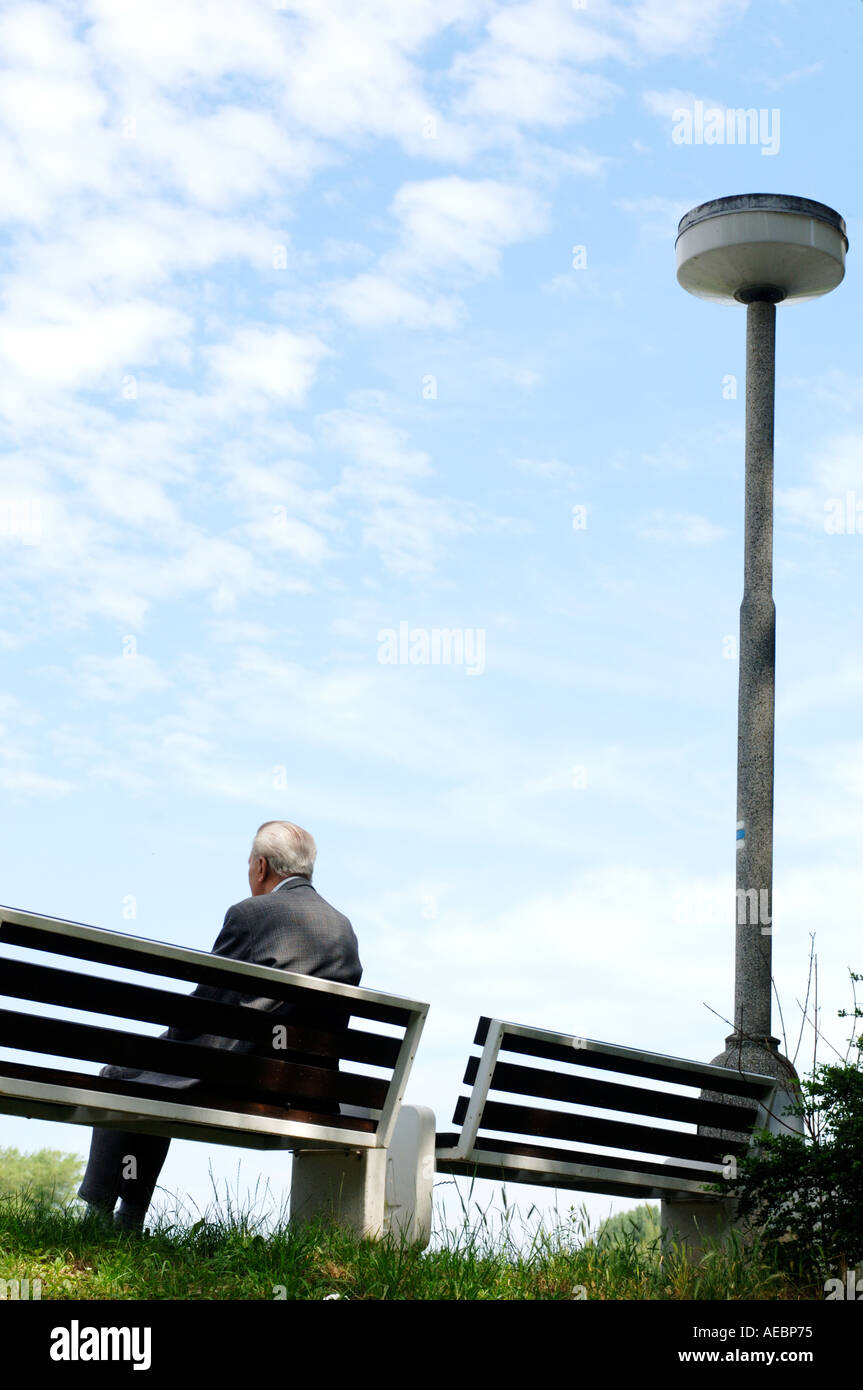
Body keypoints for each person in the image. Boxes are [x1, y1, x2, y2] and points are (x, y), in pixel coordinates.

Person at [77, 820, 361, 1231]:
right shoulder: (343, 929)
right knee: (155, 1075)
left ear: (261, 866)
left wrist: (161, 1046)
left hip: (235, 1079)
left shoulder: (250, 915)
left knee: (127, 1075)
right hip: (308, 1091)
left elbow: (206, 1009)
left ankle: (104, 1217)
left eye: (249, 864)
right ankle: (128, 1217)